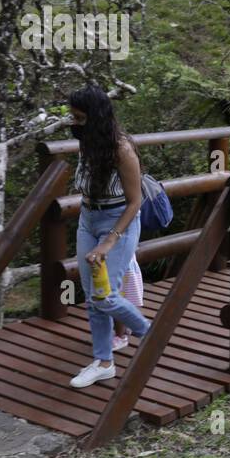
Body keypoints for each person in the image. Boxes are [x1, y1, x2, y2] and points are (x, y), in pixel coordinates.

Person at [68, 85, 152, 388]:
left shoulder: (122, 149)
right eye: (72, 118)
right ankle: (103, 362)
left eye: (79, 118)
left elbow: (135, 201)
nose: (73, 124)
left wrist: (109, 240)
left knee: (105, 295)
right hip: (87, 219)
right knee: (92, 298)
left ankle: (147, 332)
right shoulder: (88, 143)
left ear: (97, 117)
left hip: (118, 222)